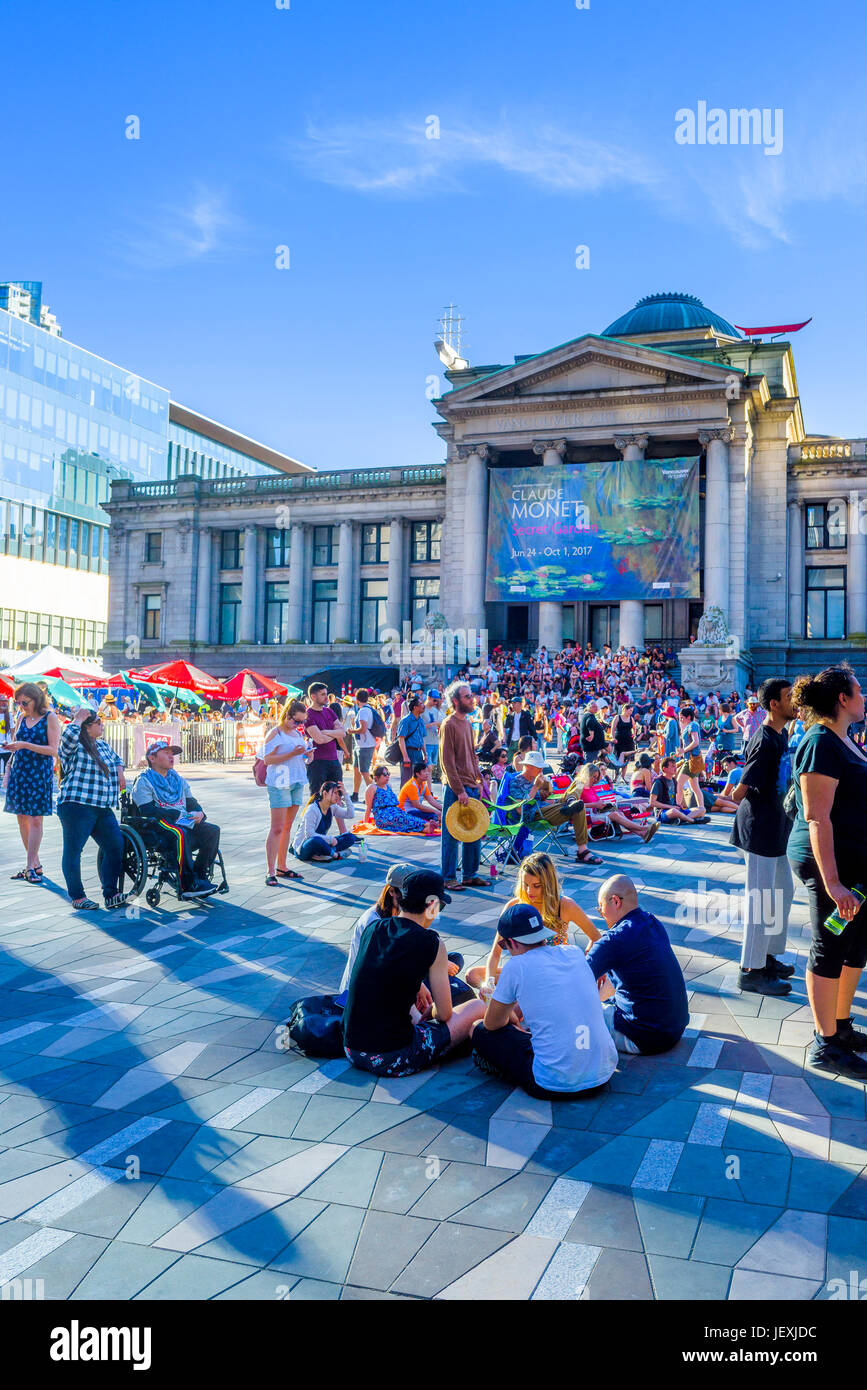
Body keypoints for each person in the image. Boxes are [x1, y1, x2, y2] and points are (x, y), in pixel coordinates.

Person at [787, 666, 867, 1078]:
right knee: (830, 944)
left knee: (855, 946)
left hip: (854, 861)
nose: (863, 698)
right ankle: (827, 1044)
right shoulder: (819, 741)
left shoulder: (844, 740)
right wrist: (833, 883)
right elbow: (817, 817)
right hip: (828, 864)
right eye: (859, 691)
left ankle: (842, 1026)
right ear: (842, 699)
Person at [342, 868, 485, 1077]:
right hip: (391, 1056)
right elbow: (444, 1014)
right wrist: (432, 1011)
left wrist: (418, 991)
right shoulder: (432, 942)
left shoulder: (376, 927)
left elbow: (379, 979)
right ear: (431, 905)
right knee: (477, 1006)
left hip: (351, 1048)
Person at [471, 903, 618, 1099]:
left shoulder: (517, 966)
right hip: (602, 1072)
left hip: (552, 1083)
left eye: (503, 945)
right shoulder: (574, 952)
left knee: (477, 1029)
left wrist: (492, 1002)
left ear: (512, 942)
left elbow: (492, 1024)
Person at [729, 678, 796, 997]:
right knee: (761, 901)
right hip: (758, 829)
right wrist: (722, 798)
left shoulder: (781, 735)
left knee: (783, 890)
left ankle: (767, 957)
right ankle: (750, 971)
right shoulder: (765, 739)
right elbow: (741, 787)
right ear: (774, 704)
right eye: (788, 696)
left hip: (776, 829)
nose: (794, 700)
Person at [466, 851, 602, 993]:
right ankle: (508, 1006)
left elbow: (597, 938)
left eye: (537, 885)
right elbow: (495, 953)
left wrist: (586, 966)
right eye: (525, 884)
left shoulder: (565, 905)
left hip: (554, 974)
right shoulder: (514, 907)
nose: (530, 891)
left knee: (516, 997)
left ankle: (509, 1008)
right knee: (474, 975)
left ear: (549, 884)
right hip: (525, 972)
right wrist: (489, 983)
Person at [587, 874, 689, 1055]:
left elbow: (573, 980)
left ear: (616, 901)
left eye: (601, 908)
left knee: (576, 1014)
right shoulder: (652, 922)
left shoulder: (614, 940)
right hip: (674, 1031)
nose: (601, 915)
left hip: (643, 1038)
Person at [57, 708, 127, 911]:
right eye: (98, 722)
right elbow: (67, 739)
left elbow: (117, 759)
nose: (102, 725)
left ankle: (111, 893)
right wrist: (78, 718)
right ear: (87, 727)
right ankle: (78, 897)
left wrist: (120, 771)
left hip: (102, 805)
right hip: (77, 805)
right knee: (73, 851)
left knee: (115, 846)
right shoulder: (75, 744)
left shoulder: (103, 745)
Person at [131, 740, 222, 897]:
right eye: (166, 753)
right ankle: (187, 885)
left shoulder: (178, 779)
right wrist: (175, 815)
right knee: (180, 833)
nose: (171, 756)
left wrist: (199, 812)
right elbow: (147, 810)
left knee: (212, 830)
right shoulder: (143, 780)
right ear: (152, 758)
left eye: (172, 753)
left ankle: (200, 876)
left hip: (181, 820)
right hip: (156, 824)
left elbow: (191, 802)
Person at [4, 682, 60, 883]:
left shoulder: (50, 717)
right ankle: (35, 863)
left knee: (36, 819)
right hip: (21, 771)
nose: (21, 706)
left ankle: (29, 866)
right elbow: (18, 743)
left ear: (35, 698)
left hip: (38, 772)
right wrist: (13, 747)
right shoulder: (21, 717)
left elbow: (54, 749)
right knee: (22, 818)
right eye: (18, 703)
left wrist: (25, 745)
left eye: (24, 702)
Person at [511, 751, 606, 864]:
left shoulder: (536, 779)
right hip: (533, 815)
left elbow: (547, 797)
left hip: (550, 808)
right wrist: (536, 788)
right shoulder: (516, 781)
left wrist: (545, 790)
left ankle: (583, 850)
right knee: (577, 802)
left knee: (578, 806)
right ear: (528, 766)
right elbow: (519, 809)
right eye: (539, 767)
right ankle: (582, 852)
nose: (541, 771)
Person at [439, 680, 487, 892]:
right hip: (454, 788)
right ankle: (448, 877)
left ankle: (470, 874)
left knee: (473, 831)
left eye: (471, 696)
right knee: (451, 834)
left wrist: (478, 780)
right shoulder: (448, 724)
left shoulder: (468, 723)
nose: (472, 699)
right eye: (467, 696)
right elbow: (447, 762)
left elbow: (471, 755)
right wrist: (459, 790)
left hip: (471, 785)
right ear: (456, 701)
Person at [261, 698, 307, 886]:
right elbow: (267, 759)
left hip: (296, 779)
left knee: (288, 826)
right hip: (279, 782)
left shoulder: (297, 734)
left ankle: (282, 866)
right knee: (277, 827)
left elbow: (298, 757)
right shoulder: (276, 732)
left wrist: (306, 755)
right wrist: (293, 754)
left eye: (303, 721)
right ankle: (270, 870)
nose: (299, 725)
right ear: (287, 716)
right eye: (297, 721)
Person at [577, 763, 660, 843]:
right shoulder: (579, 785)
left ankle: (642, 834)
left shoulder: (591, 787)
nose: (595, 780)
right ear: (587, 774)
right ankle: (644, 828)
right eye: (594, 777)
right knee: (615, 815)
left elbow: (596, 800)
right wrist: (595, 804)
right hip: (587, 815)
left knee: (619, 813)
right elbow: (574, 805)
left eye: (596, 777)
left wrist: (603, 804)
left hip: (596, 812)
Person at [291, 781, 359, 861]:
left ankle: (324, 853)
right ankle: (335, 855)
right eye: (334, 793)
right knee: (315, 840)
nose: (337, 796)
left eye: (339, 794)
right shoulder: (312, 809)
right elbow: (309, 834)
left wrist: (346, 795)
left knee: (350, 837)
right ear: (325, 794)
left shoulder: (333, 807)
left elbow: (350, 814)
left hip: (321, 843)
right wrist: (330, 839)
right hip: (304, 848)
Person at [304, 682, 347, 794]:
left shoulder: (329, 711)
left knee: (337, 795)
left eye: (326, 694)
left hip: (334, 760)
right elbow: (319, 739)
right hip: (317, 762)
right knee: (318, 796)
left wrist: (326, 732)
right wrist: (334, 734)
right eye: (322, 694)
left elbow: (343, 733)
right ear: (313, 697)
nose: (326, 697)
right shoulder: (308, 715)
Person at [367, 763, 428, 832]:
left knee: (408, 817)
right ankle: (426, 824)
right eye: (385, 774)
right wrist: (365, 824)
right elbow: (369, 807)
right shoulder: (372, 788)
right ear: (376, 777)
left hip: (395, 811)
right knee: (401, 818)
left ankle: (426, 827)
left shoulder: (388, 786)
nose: (388, 776)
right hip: (383, 816)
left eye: (388, 774)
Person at [649, 757, 708, 824]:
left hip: (675, 810)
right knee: (674, 811)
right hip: (663, 812)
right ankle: (692, 820)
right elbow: (652, 802)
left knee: (702, 809)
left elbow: (673, 800)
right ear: (664, 769)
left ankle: (681, 819)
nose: (675, 768)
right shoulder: (658, 782)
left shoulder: (674, 781)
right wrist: (671, 807)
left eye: (675, 766)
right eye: (672, 766)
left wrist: (679, 805)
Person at [349, 688, 377, 802]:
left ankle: (374, 795)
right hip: (362, 744)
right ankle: (355, 794)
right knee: (357, 769)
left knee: (364, 771)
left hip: (365, 745)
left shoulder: (363, 711)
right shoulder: (367, 709)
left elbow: (363, 728)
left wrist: (351, 731)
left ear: (357, 699)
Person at [677, 705, 705, 813]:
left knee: (678, 784)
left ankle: (678, 808)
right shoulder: (691, 725)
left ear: (688, 717)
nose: (680, 719)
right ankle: (701, 809)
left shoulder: (692, 725)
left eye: (682, 717)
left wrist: (683, 750)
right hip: (692, 759)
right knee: (695, 787)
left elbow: (695, 741)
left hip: (690, 760)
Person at [396, 695, 427, 788]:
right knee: (406, 779)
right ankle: (403, 801)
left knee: (419, 779)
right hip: (409, 752)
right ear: (415, 707)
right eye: (421, 704)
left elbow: (422, 739)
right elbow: (401, 739)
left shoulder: (420, 721)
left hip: (418, 753)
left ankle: (415, 799)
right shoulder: (406, 720)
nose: (423, 705)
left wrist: (425, 754)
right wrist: (405, 756)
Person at [398, 760, 441, 825]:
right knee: (434, 815)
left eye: (427, 771)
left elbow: (431, 800)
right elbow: (417, 806)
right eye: (424, 771)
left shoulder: (423, 784)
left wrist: (442, 809)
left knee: (437, 814)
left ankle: (434, 820)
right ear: (417, 774)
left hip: (415, 810)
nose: (427, 773)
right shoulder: (411, 785)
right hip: (405, 812)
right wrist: (435, 811)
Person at [422, 690, 443, 784]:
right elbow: (419, 727)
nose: (436, 702)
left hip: (435, 741)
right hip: (426, 742)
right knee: (428, 768)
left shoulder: (435, 710)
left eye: (437, 701)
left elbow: (440, 723)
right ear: (428, 698)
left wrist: (439, 725)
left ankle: (427, 791)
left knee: (431, 768)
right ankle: (429, 792)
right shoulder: (422, 709)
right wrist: (432, 724)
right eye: (434, 700)